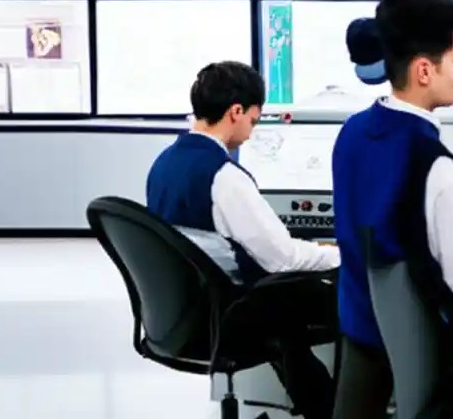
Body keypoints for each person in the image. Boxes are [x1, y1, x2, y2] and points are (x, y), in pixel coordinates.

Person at [331, 0, 453, 419]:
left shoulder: (352, 133)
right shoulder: (438, 172)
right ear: (425, 70)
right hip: (425, 358)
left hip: (363, 332)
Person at [145, 60, 340, 419]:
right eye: (253, 119)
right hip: (229, 313)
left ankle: (319, 405)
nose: (252, 131)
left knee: (288, 320)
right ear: (235, 112)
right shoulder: (224, 176)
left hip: (188, 309)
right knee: (332, 293)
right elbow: (282, 260)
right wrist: (339, 255)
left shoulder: (163, 163)